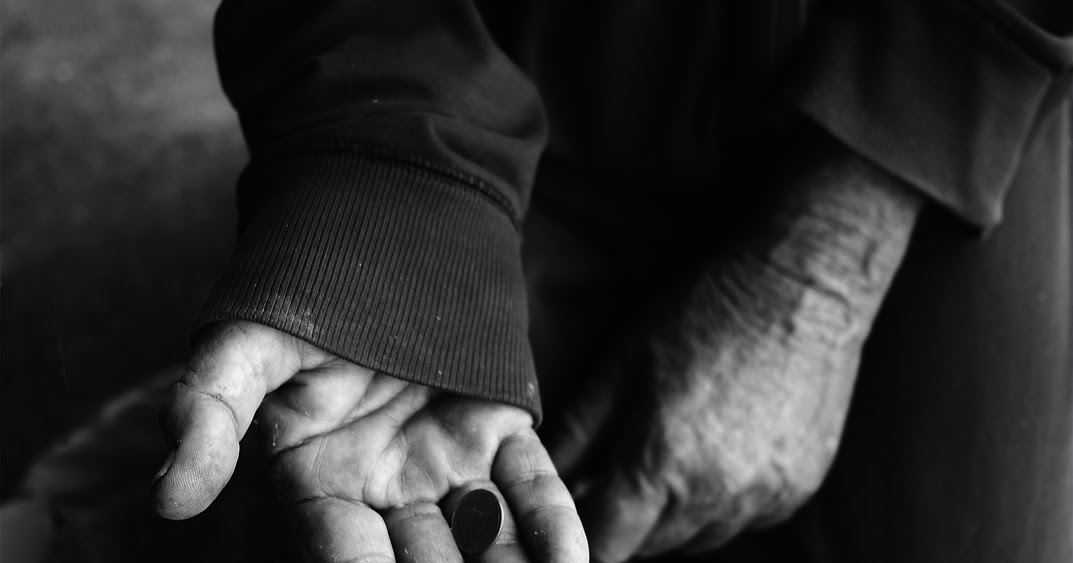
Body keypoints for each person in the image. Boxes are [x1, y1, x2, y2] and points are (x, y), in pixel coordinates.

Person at [150, 0, 1072, 561]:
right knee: (324, 513)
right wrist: (392, 176)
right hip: (495, 76)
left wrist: (821, 268)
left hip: (948, 62)